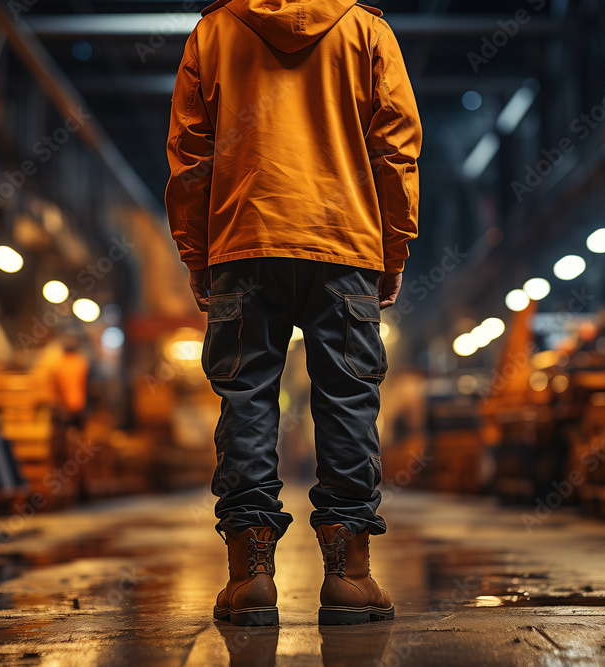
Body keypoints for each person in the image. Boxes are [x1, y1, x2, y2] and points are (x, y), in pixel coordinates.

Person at [165, 0, 421, 626]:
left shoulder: (214, 32)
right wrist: (393, 247)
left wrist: (198, 253)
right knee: (347, 399)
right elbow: (396, 147)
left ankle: (249, 578)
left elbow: (191, 153)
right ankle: (349, 576)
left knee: (248, 397)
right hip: (344, 240)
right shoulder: (367, 31)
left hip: (243, 240)